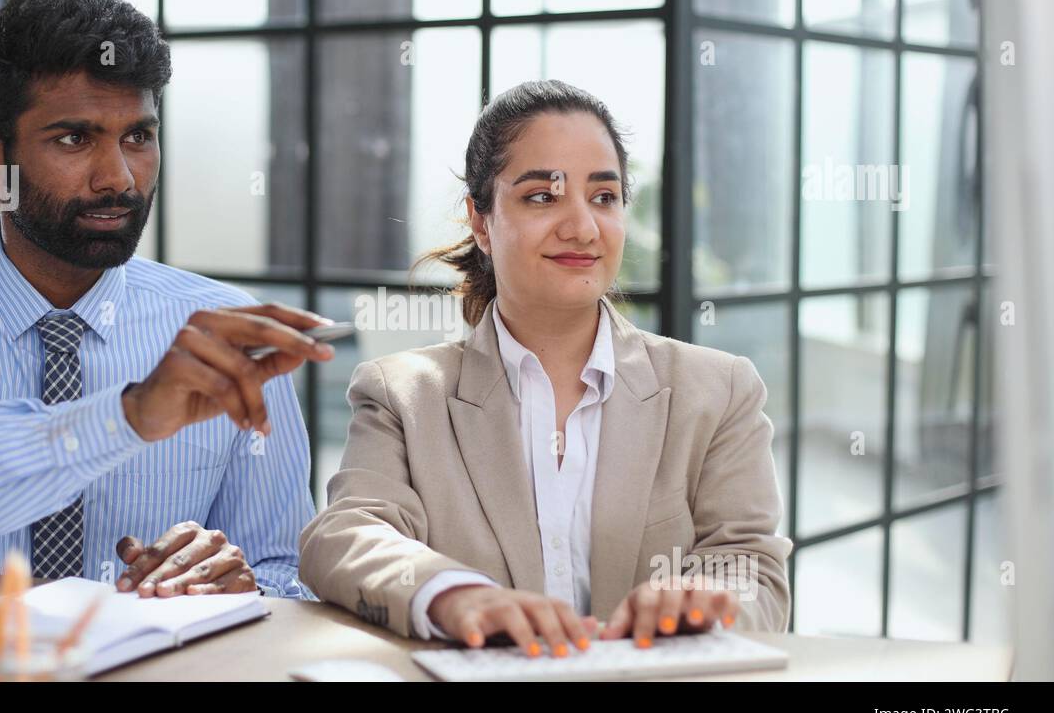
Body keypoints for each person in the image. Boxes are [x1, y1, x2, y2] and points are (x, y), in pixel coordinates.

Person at [0, 0, 332, 598]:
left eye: (137, 136)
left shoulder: (223, 326)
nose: (118, 179)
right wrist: (125, 417)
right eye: (73, 138)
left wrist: (241, 588)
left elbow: (285, 574)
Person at [300, 79, 793, 655]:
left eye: (604, 197)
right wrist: (455, 595)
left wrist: (710, 601)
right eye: (542, 196)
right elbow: (344, 534)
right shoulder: (403, 394)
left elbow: (754, 571)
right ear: (482, 223)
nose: (582, 227)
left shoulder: (718, 389)